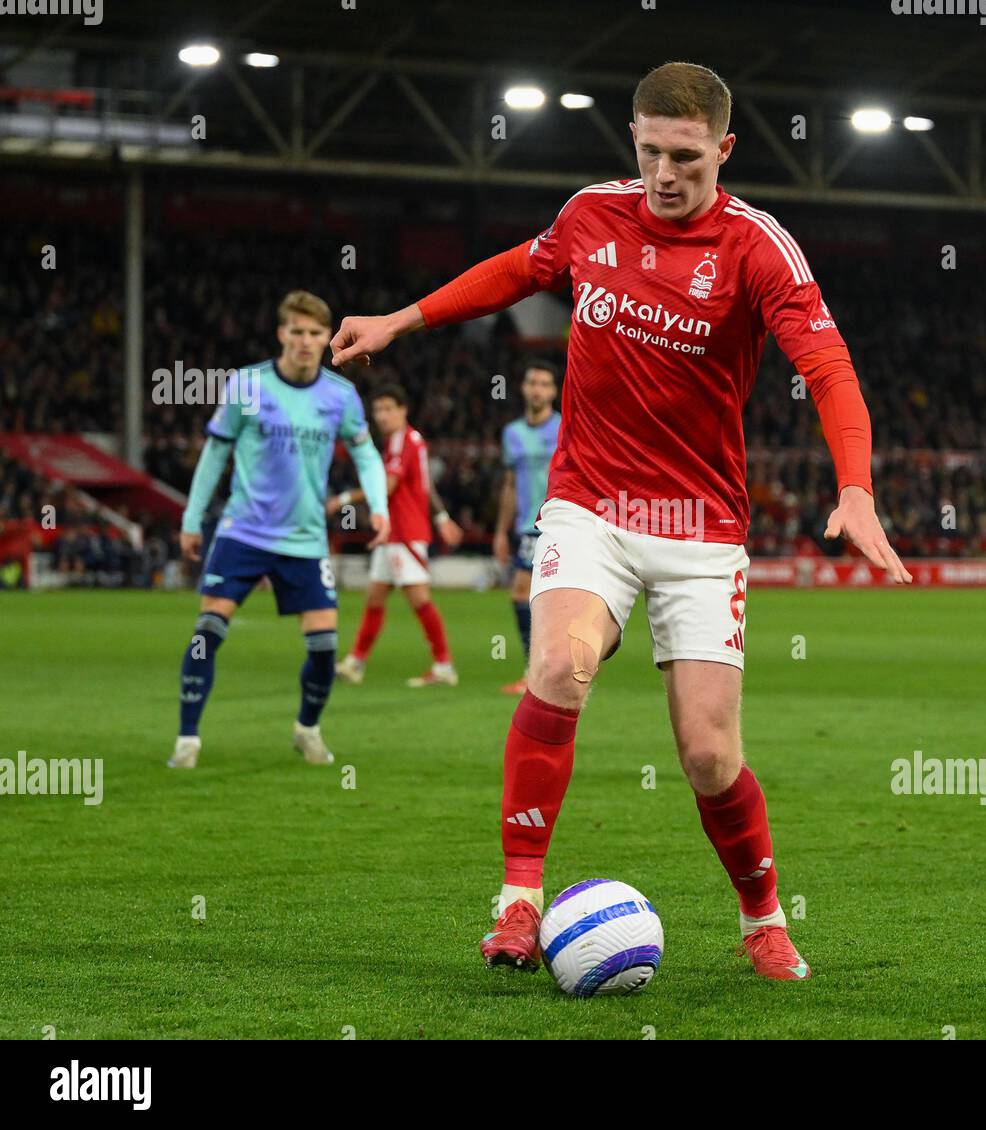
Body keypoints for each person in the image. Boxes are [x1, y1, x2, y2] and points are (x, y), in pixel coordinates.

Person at [329, 63, 911, 981]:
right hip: (591, 504)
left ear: (723, 149)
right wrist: (403, 319)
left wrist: (856, 488)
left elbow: (831, 371)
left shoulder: (760, 249)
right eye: (648, 153)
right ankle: (519, 904)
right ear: (631, 143)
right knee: (559, 665)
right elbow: (517, 272)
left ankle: (763, 917)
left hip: (701, 524)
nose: (664, 175)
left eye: (685, 156)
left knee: (710, 756)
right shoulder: (592, 215)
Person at [170, 290, 389, 769]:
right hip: (242, 534)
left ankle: (307, 729)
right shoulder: (248, 385)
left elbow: (367, 453)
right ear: (281, 334)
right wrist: (192, 518)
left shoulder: (341, 395)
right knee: (208, 631)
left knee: (325, 646)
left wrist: (378, 504)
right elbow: (215, 453)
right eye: (297, 332)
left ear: (326, 337)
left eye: (315, 333)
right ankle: (187, 738)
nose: (306, 342)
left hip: (305, 540)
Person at [334, 384, 464, 688]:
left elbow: (387, 487)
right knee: (375, 597)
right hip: (395, 532)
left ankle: (444, 665)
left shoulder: (402, 441)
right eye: (377, 410)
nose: (382, 416)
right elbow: (425, 486)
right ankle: (356, 662)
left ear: (403, 410)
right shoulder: (412, 440)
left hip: (405, 532)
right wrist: (442, 517)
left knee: (419, 599)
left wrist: (341, 501)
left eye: (388, 409)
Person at [492, 360, 561, 694]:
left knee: (533, 595)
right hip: (527, 528)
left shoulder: (565, 428)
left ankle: (539, 672)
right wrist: (500, 532)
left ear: (554, 391)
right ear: (522, 387)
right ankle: (541, 671)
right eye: (532, 382)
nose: (537, 389)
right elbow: (509, 485)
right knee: (528, 595)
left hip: (559, 523)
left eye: (544, 384)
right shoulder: (512, 433)